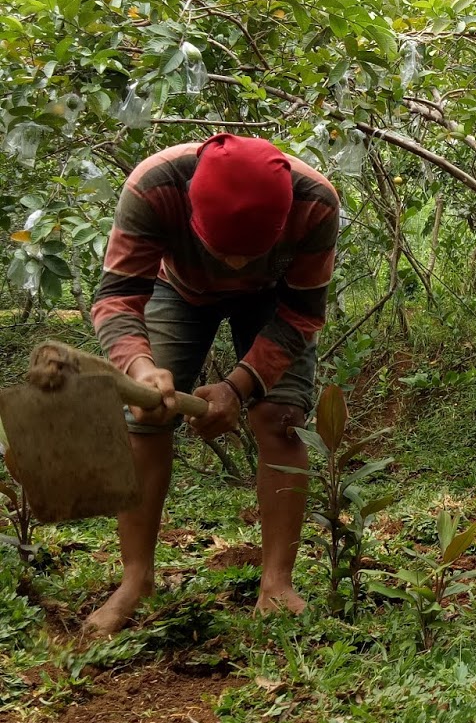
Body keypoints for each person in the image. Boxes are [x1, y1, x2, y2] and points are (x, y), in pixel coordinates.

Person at [85, 134, 340, 638]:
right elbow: (117, 298)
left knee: (281, 418)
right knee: (144, 417)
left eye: (251, 252)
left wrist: (238, 387)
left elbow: (302, 314)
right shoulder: (153, 186)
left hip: (274, 301)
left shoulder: (315, 202)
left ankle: (277, 583)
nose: (236, 266)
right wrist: (139, 369)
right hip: (176, 289)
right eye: (222, 250)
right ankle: (136, 579)